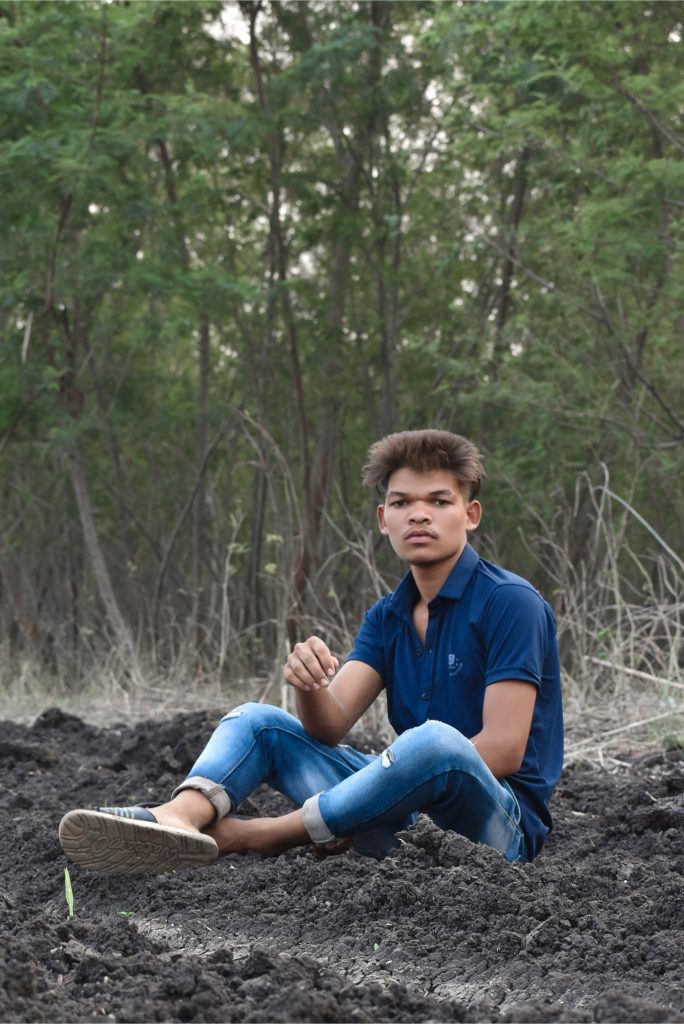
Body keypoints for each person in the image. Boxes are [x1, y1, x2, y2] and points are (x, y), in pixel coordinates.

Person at [59, 429, 563, 875]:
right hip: (405, 826)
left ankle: (261, 835)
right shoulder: (389, 615)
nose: (420, 515)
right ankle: (182, 817)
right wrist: (310, 686)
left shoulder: (509, 602)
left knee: (430, 743)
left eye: (439, 501)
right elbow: (329, 726)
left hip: (498, 834)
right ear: (383, 519)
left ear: (470, 514)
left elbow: (502, 748)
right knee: (259, 721)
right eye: (403, 503)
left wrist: (373, 789)